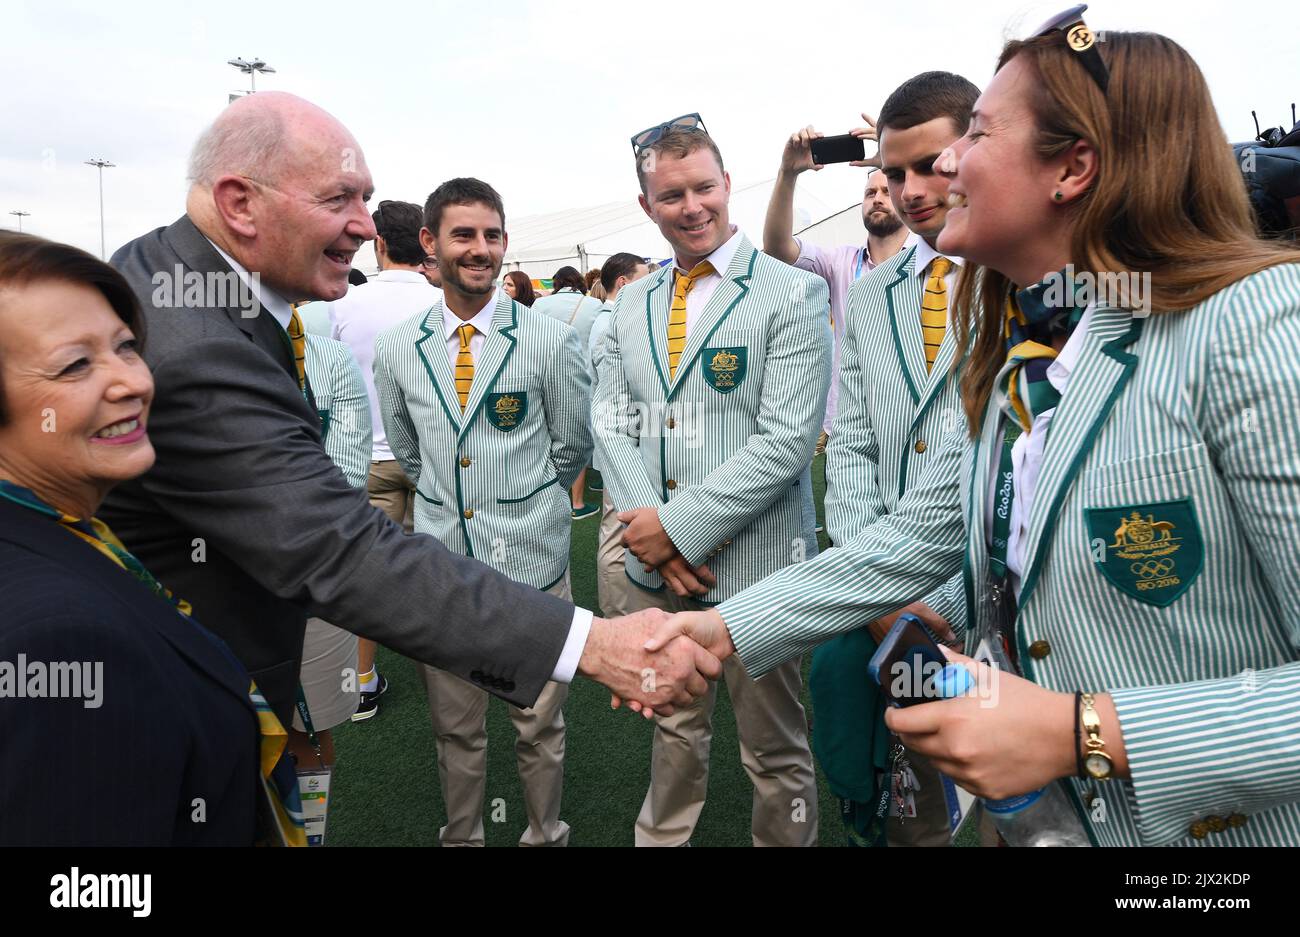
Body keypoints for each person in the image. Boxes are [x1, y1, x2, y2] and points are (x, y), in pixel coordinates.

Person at [646, 15, 1300, 847]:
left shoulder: (1257, 324)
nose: (939, 168)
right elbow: (928, 529)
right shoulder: (1031, 342)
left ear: (1073, 167)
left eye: (978, 133)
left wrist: (1081, 731)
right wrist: (728, 625)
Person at [99, 91, 720, 733]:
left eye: (366, 200)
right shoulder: (197, 340)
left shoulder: (190, 289)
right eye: (339, 198)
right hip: (176, 708)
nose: (367, 226)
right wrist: (592, 644)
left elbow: (570, 440)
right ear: (238, 202)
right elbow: (335, 548)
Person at [0, 232, 286, 845]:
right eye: (75, 364)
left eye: (127, 347)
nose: (132, 381)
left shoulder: (66, 533)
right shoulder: (58, 636)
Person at [595, 119, 829, 846]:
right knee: (672, 729)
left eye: (703, 187)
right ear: (646, 205)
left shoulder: (792, 292)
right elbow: (612, 419)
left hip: (761, 568)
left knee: (776, 749)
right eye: (672, 195)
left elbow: (786, 441)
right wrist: (652, 533)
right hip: (656, 566)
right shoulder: (630, 301)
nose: (692, 206)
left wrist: (676, 528)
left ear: (728, 185)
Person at [375, 178, 589, 847]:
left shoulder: (546, 338)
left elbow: (572, 442)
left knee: (538, 724)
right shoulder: (397, 346)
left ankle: (543, 832)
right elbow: (409, 452)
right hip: (442, 572)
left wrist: (518, 503)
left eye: (492, 235)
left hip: (533, 566)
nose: (481, 249)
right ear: (430, 245)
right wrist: (452, 504)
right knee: (455, 727)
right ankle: (462, 836)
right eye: (464, 234)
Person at [811, 72, 981, 847]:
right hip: (885, 605)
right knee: (897, 808)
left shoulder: (1032, 282)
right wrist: (878, 589)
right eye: (894, 171)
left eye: (931, 165)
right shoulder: (873, 295)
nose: (911, 190)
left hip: (990, 601)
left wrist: (939, 601)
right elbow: (849, 444)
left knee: (1015, 802)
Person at [326, 198, 441, 721]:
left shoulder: (343, 307)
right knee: (445, 566)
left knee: (367, 576)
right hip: (435, 457)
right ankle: (454, 673)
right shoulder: (443, 305)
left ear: (378, 245)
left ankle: (363, 681)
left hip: (367, 458)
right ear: (424, 240)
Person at [763, 117, 909, 452]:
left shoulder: (929, 259)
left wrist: (897, 155)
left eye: (888, 190)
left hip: (910, 418)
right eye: (870, 192)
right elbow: (776, 247)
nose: (877, 198)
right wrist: (788, 173)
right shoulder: (840, 263)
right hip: (850, 425)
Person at [288, 332, 370, 794]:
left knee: (311, 731)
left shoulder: (326, 354)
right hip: (209, 584)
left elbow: (346, 478)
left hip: (314, 567)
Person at [587, 251, 651, 617]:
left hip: (624, 440)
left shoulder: (610, 318)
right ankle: (617, 614)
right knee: (616, 533)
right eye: (644, 277)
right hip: (620, 444)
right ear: (624, 283)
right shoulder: (612, 322)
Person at [533, 265, 604, 519]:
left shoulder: (541, 306)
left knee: (545, 437)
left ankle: (548, 494)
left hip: (542, 378)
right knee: (577, 436)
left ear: (557, 282)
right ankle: (576, 502)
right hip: (582, 377)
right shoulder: (594, 306)